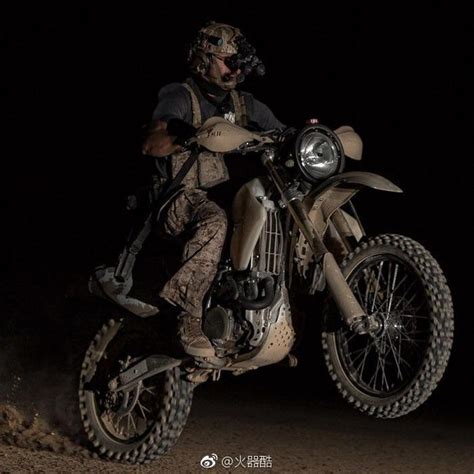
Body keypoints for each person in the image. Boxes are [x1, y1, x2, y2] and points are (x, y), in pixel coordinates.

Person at [140, 21, 285, 358]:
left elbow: (280, 131)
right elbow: (151, 143)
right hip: (176, 198)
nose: (236, 70)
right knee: (215, 221)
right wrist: (186, 137)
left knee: (265, 212)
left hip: (215, 195)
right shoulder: (180, 96)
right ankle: (188, 316)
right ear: (202, 60)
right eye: (228, 61)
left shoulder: (244, 104)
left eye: (240, 62)